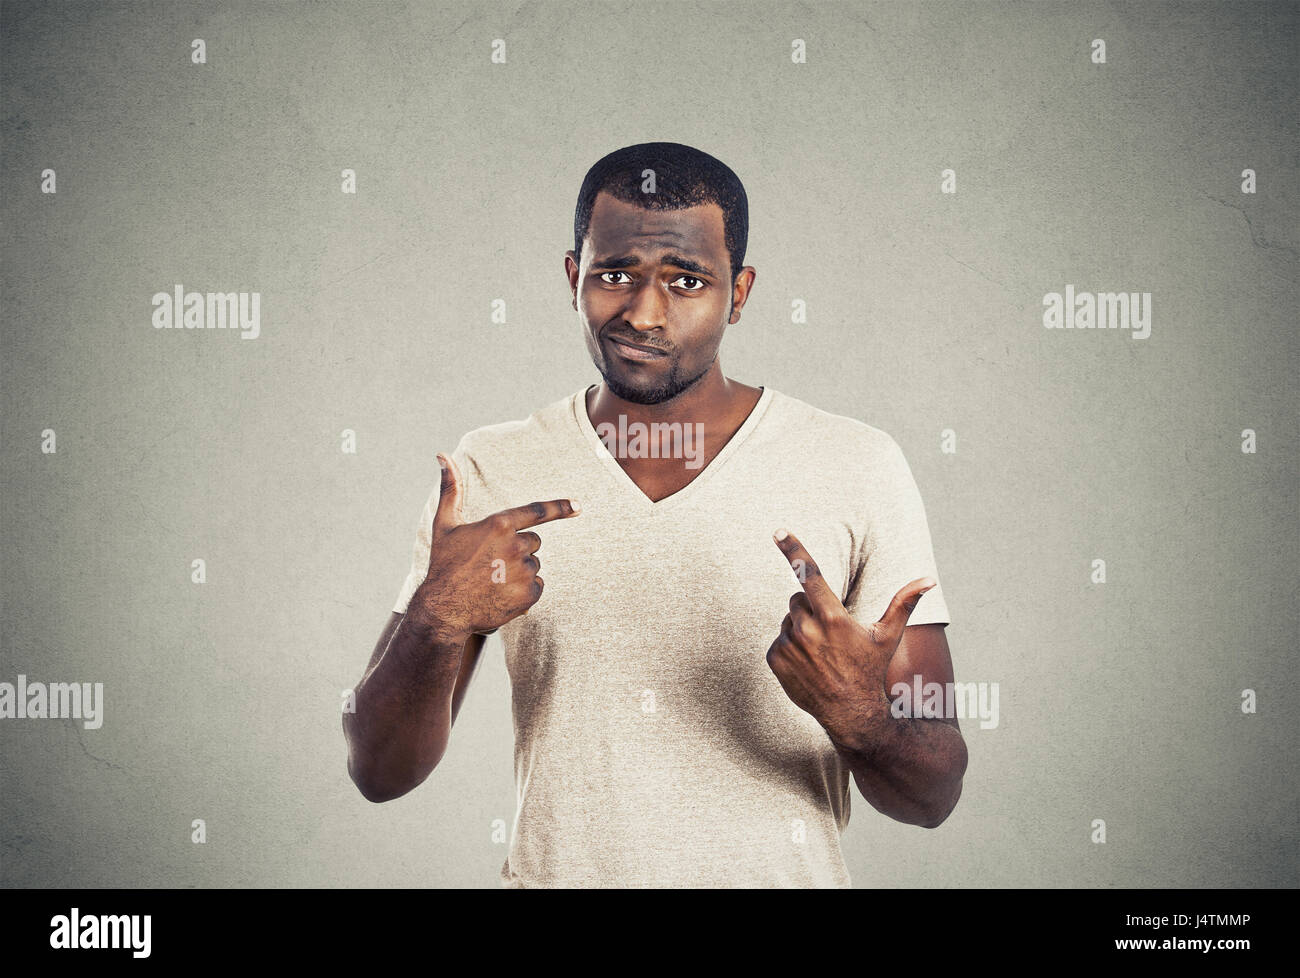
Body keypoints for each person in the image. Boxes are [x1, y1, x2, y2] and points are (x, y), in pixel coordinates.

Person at [343, 142, 967, 887]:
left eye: (686, 280)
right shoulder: (491, 469)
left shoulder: (856, 463)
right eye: (615, 275)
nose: (643, 313)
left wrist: (860, 714)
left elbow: (935, 793)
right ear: (574, 279)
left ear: (738, 293)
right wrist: (434, 620)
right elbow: (378, 772)